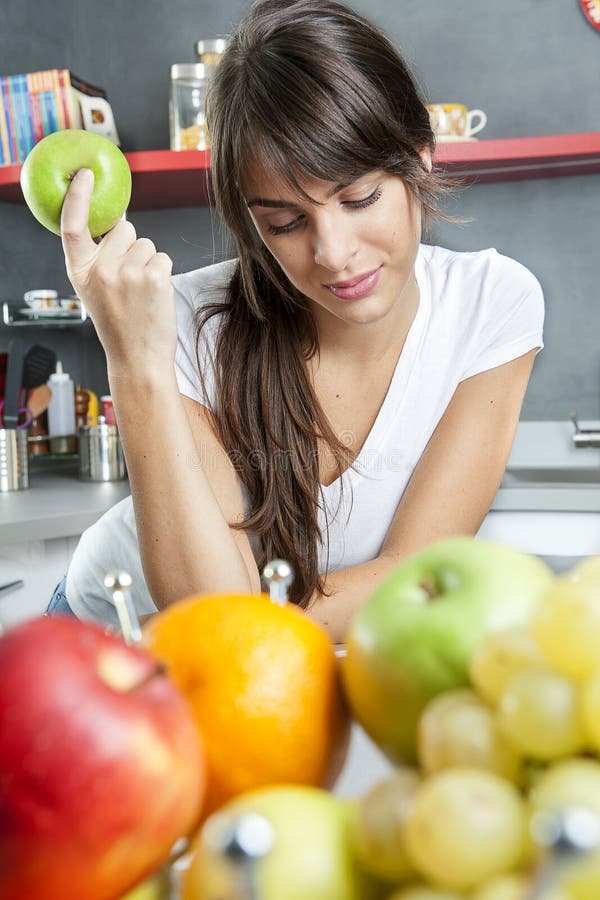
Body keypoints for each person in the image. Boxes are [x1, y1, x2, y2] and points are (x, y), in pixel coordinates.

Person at [47, 0, 544, 642]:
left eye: (359, 197)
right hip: (111, 639)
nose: (334, 254)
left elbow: (410, 575)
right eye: (284, 222)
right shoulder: (184, 320)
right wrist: (134, 361)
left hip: (266, 650)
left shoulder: (491, 305)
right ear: (251, 224)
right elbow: (216, 613)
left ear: (419, 159)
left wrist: (240, 622)